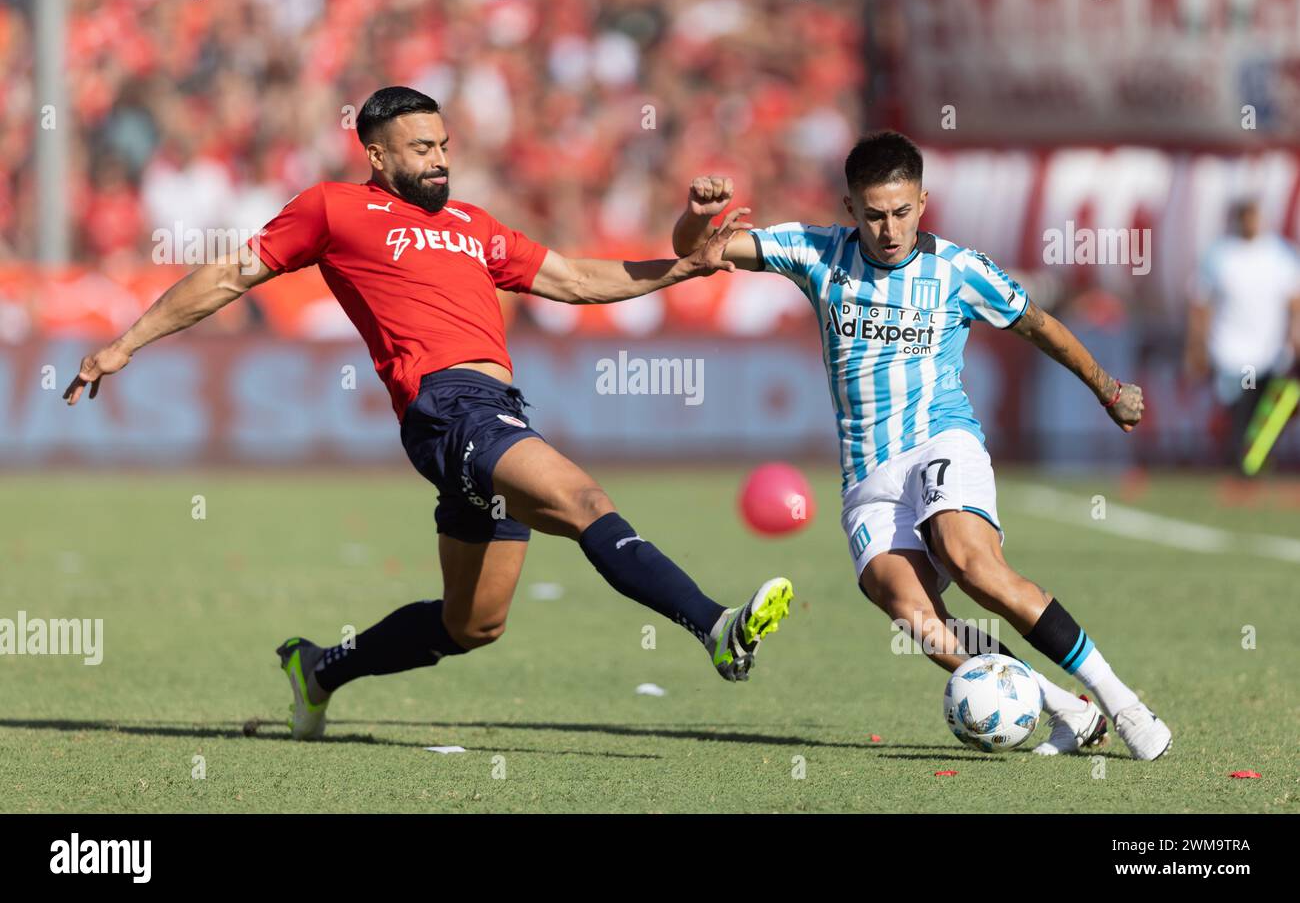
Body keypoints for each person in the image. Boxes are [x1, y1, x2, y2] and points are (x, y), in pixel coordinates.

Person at [64, 87, 794, 740]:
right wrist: (127, 343)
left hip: (492, 411)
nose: (440, 159)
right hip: (447, 409)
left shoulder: (475, 224)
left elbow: (573, 277)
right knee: (583, 501)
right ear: (377, 154)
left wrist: (684, 266)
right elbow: (230, 274)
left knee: (472, 623)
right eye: (422, 148)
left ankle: (319, 670)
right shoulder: (333, 208)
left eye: (444, 145)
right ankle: (716, 626)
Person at [672, 131, 1172, 759]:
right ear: (850, 208)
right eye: (875, 214)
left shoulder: (959, 269)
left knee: (971, 564)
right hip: (865, 476)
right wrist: (696, 218)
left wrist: (1107, 388)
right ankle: (1067, 709)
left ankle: (1124, 705)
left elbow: (1038, 326)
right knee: (918, 618)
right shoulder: (814, 251)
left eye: (902, 212)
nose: (889, 229)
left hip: (940, 437)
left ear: (923, 202)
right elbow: (697, 254)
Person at [1185, 197, 1300, 472]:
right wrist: (1197, 344)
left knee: (1271, 408)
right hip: (1231, 352)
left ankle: (1253, 463)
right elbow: (1200, 303)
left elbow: (1294, 300)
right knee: (1240, 411)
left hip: (1270, 351)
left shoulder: (1280, 254)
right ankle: (1244, 468)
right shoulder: (1219, 254)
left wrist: (1294, 335)